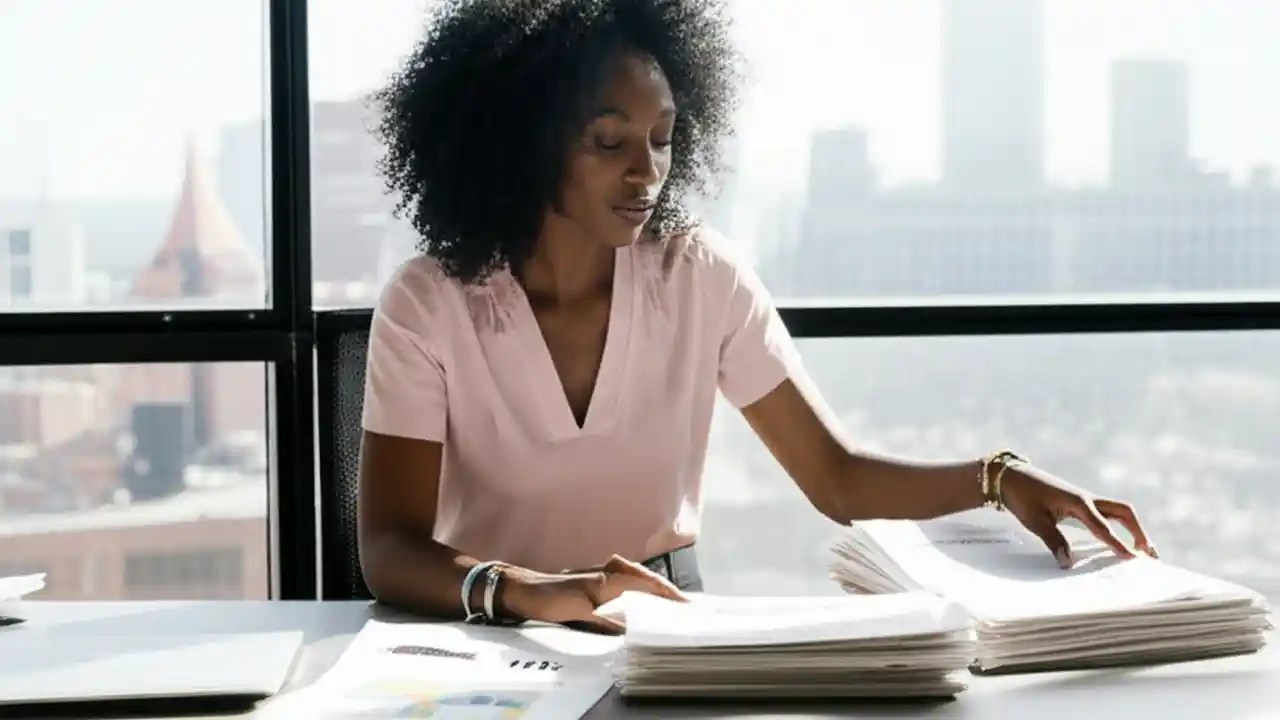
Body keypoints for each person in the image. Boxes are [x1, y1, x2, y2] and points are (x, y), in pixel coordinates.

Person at [357, 0, 1156, 634]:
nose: (646, 171)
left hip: (662, 624)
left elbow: (837, 479)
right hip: (490, 632)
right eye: (609, 141)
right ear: (526, 141)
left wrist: (998, 478)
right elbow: (389, 546)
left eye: (663, 139)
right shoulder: (429, 303)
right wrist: (528, 593)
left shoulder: (700, 276)